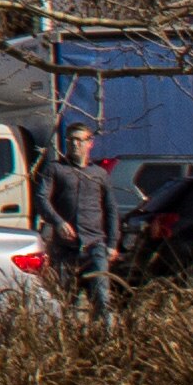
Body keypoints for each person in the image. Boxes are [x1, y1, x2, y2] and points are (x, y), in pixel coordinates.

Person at [35, 125, 119, 314]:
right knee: (65, 304)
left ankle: (104, 340)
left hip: (95, 247)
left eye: (80, 140)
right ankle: (68, 340)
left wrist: (112, 243)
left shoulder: (100, 174)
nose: (74, 144)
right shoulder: (55, 169)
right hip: (65, 249)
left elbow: (111, 209)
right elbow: (41, 198)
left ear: (90, 143)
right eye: (71, 140)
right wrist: (58, 222)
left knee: (102, 300)